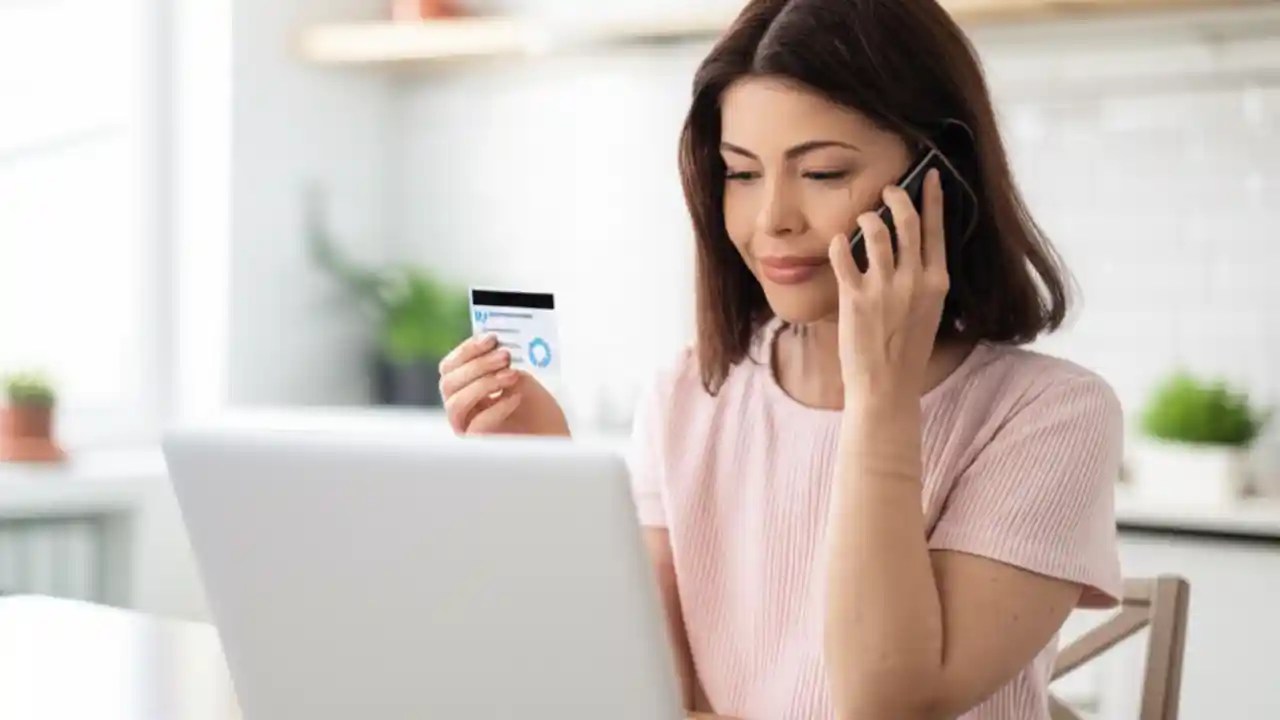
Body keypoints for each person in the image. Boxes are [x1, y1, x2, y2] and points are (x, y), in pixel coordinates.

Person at [438, 0, 1123, 717]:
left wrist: (880, 400)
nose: (771, 221)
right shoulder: (687, 395)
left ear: (940, 182)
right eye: (741, 174)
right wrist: (550, 476)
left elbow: (888, 704)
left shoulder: (1051, 417)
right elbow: (650, 696)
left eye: (822, 173)